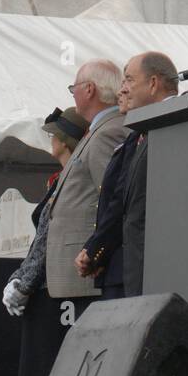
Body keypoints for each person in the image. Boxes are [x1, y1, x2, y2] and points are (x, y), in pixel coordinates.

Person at [4, 105, 89, 376]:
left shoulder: (70, 181)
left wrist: (23, 283)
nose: (50, 141)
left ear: (64, 141)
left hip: (56, 296)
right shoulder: (61, 179)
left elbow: (48, 239)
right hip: (50, 289)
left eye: (54, 135)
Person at [46, 60, 127, 304]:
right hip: (79, 271)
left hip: (88, 269)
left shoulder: (108, 132)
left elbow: (113, 197)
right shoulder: (98, 130)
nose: (74, 95)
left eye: (74, 89)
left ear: (89, 89)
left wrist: (96, 251)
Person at [120, 51, 180, 297]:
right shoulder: (147, 131)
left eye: (130, 80)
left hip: (162, 271)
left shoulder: (177, 125)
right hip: (139, 269)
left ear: (153, 83)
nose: (124, 89)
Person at [74, 85, 133, 297]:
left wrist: (97, 252)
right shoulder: (125, 135)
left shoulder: (110, 132)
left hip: (120, 264)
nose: (122, 91)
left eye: (129, 80)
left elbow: (115, 201)